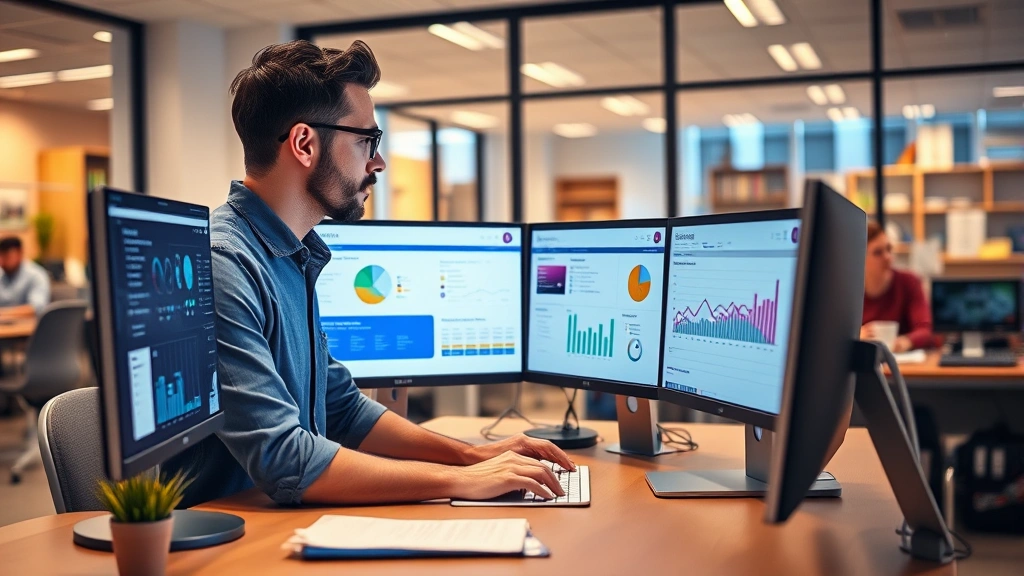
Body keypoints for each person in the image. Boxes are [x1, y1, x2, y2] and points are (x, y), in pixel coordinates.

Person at [166, 40, 573, 508]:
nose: (377, 162)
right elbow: (286, 459)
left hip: (283, 521)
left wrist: (471, 456)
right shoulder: (224, 264)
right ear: (304, 144)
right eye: (366, 141)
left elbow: (341, 408)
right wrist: (458, 483)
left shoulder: (291, 255)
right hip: (235, 541)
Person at [860, 222, 933, 352]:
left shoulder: (909, 282)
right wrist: (855, 337)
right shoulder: (849, 291)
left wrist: (907, 341)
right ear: (860, 258)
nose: (888, 257)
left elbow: (925, 329)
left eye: (889, 249)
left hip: (901, 364)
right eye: (878, 253)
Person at [0, 237, 50, 318]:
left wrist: (4, 314)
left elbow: (37, 307)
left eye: (7, 257)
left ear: (20, 253)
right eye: (1, 256)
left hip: (28, 328)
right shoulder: (1, 273)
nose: (2, 262)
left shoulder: (36, 275)